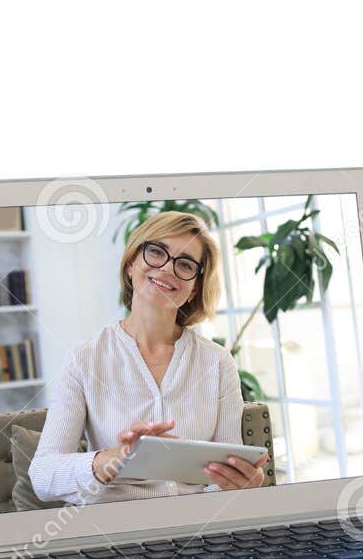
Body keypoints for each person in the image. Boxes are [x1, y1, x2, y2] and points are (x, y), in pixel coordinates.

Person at [30, 210, 265, 504]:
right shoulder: (84, 359)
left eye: (185, 264)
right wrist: (113, 459)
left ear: (194, 289)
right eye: (156, 252)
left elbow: (224, 477)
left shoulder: (217, 362)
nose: (167, 269)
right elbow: (42, 476)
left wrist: (240, 484)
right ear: (131, 263)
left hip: (196, 525)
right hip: (116, 530)